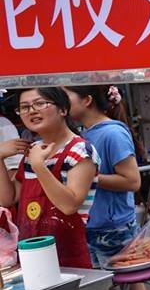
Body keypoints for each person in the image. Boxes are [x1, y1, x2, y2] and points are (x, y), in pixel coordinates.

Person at [0, 88, 99, 269]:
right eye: (24, 107)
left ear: (63, 109)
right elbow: (8, 198)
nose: (31, 111)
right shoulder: (33, 151)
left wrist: (39, 166)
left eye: (40, 103)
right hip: (31, 254)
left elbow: (69, 205)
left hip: (69, 259)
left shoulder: (81, 151)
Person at [64, 86, 142, 275]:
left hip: (114, 229)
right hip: (93, 226)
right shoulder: (84, 134)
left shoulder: (112, 133)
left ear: (87, 100)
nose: (61, 101)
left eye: (66, 95)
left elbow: (132, 182)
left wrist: (87, 176)